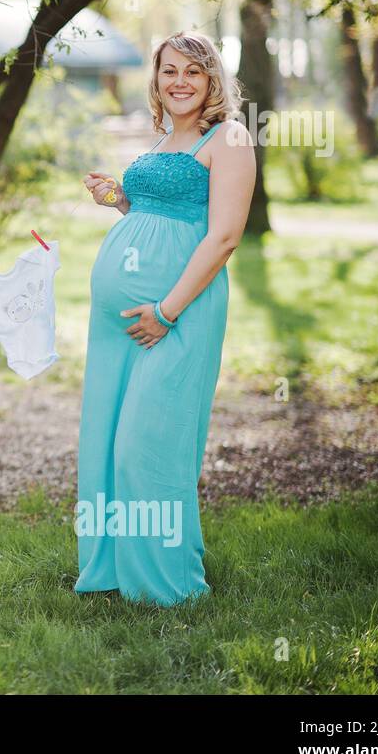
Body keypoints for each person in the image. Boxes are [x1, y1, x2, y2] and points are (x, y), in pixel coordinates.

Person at [75, 30, 255, 606]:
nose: (179, 82)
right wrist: (120, 201)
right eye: (169, 71)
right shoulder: (161, 139)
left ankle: (165, 584)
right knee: (105, 443)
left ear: (211, 81)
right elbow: (159, 214)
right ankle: (114, 570)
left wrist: (166, 310)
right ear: (155, 79)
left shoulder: (228, 137)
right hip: (118, 324)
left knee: (148, 444)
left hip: (177, 312)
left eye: (192, 72)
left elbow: (224, 235)